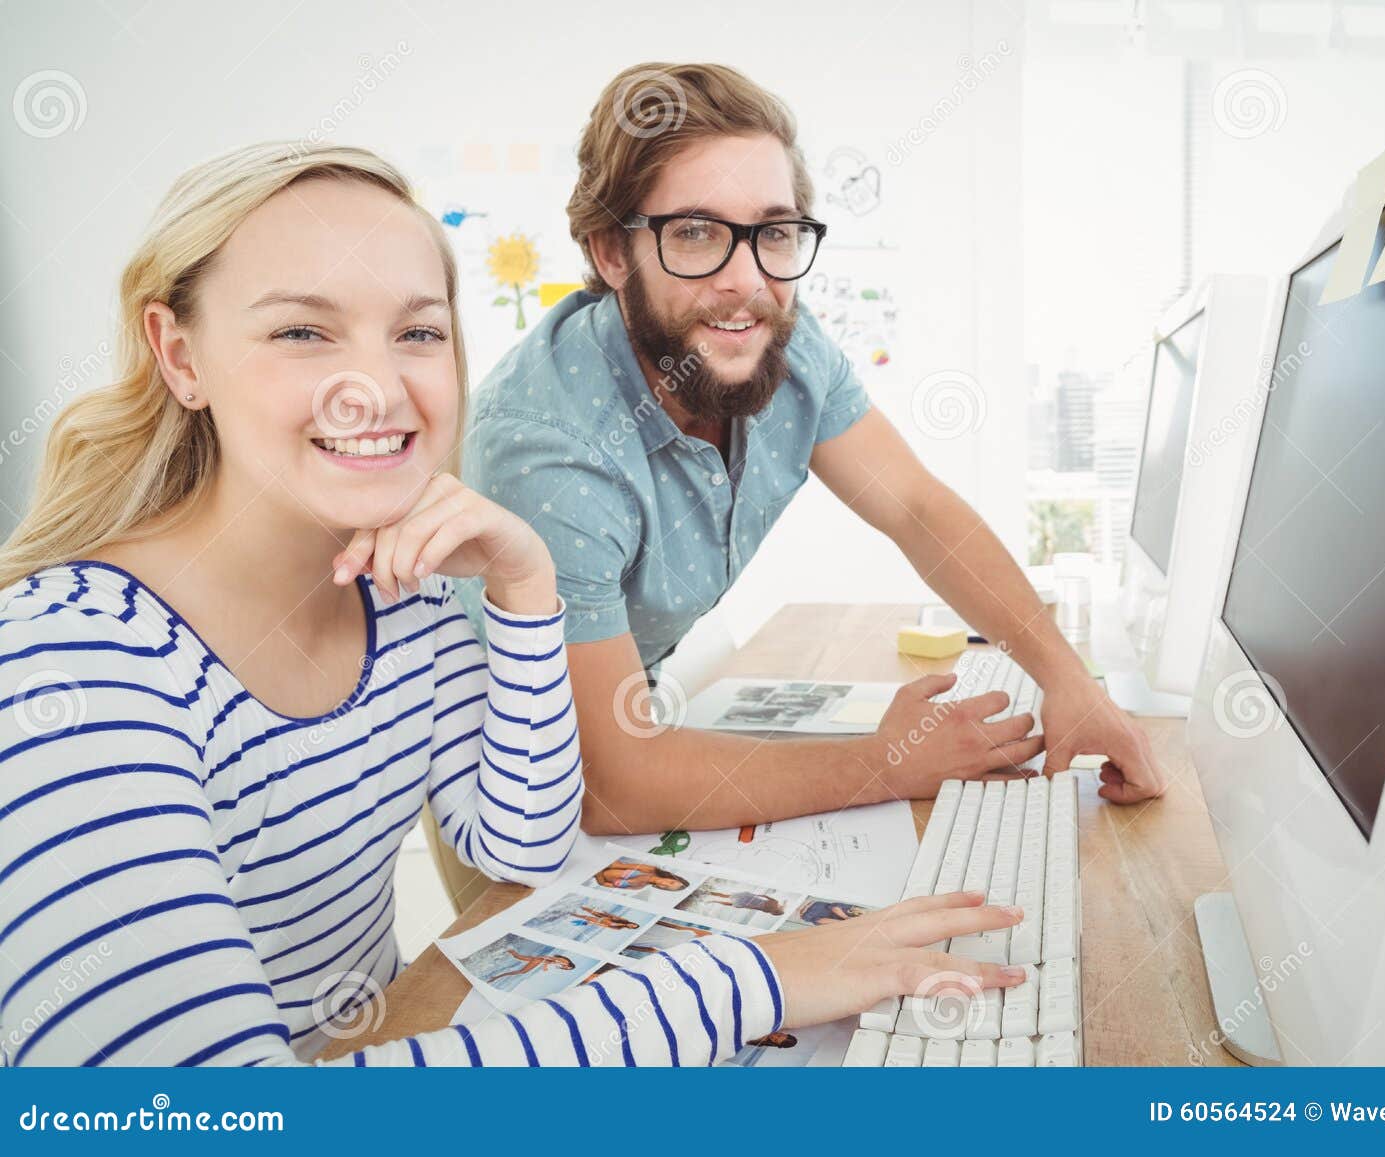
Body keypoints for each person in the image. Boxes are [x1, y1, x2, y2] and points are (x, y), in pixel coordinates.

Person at [0, 142, 1026, 1067]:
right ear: (180, 355)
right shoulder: (72, 665)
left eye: (417, 332)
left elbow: (523, 842)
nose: (375, 388)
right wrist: (759, 975)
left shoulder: (397, 606)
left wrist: (523, 582)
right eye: (304, 331)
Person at [460, 62, 1166, 837]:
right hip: (504, 789)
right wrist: (886, 763)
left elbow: (917, 508)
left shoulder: (780, 344)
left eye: (773, 232)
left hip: (635, 721)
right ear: (611, 252)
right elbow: (613, 785)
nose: (746, 280)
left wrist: (1071, 683)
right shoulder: (551, 450)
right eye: (695, 232)